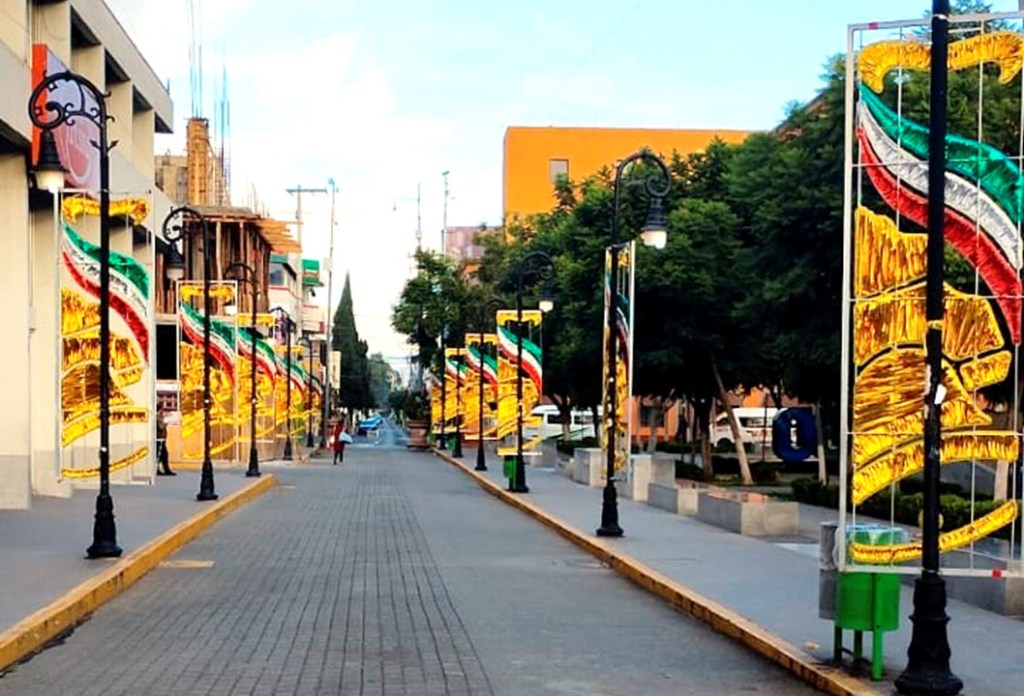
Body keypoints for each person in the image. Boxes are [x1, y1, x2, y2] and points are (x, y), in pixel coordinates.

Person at [156, 406, 175, 476]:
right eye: (161, 411)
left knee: (163, 454)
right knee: (160, 454)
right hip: (158, 439)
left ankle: (165, 469)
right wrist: (165, 424)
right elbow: (160, 427)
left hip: (161, 439)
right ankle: (159, 469)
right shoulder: (157, 418)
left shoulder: (159, 418)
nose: (162, 413)